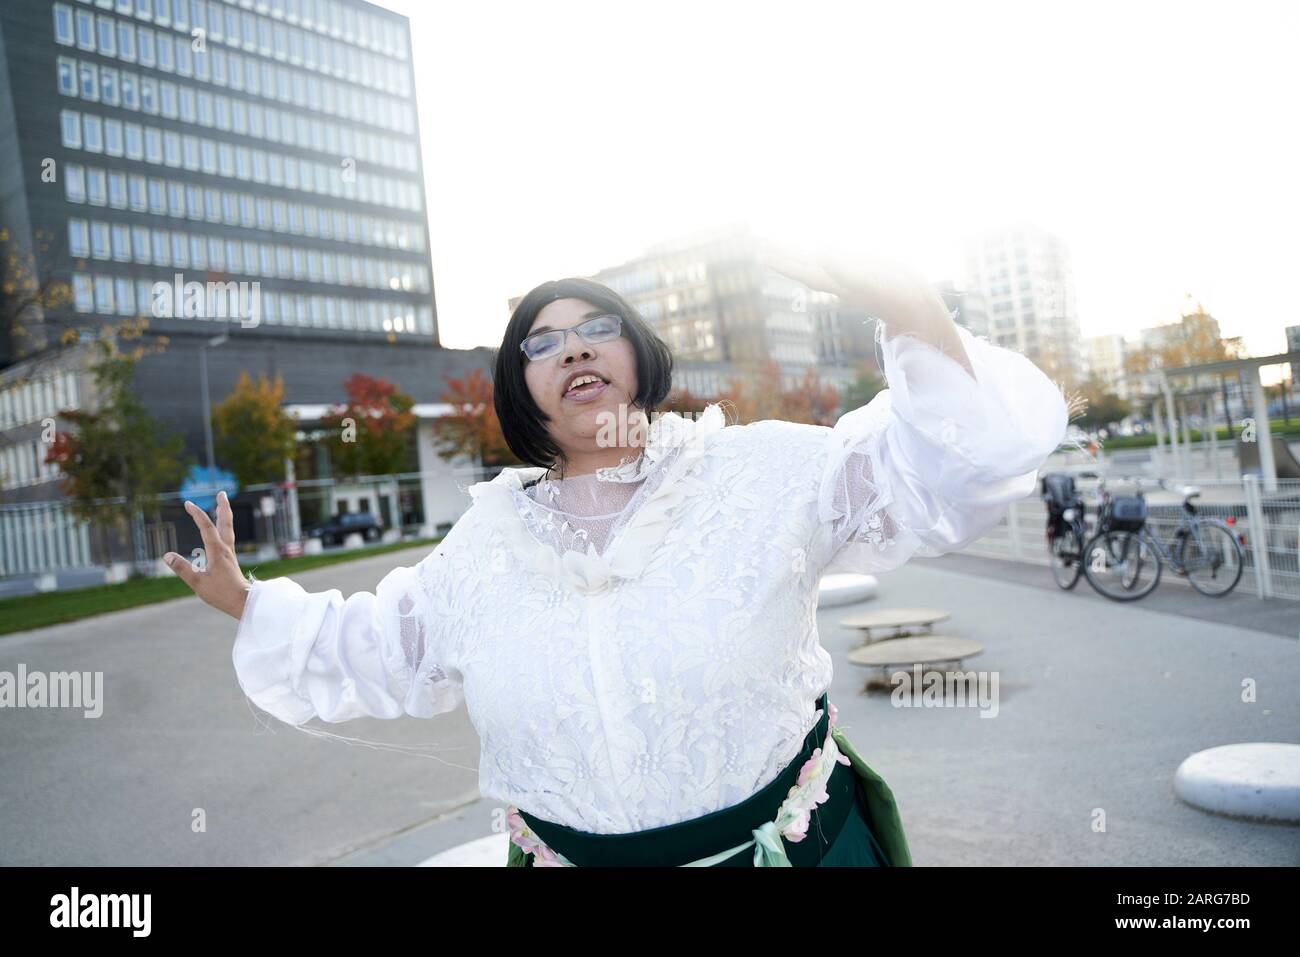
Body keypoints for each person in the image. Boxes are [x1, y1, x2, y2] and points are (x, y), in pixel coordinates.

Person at [166, 240, 1072, 867]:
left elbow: (952, 464)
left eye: (595, 327)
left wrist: (909, 306)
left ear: (637, 353)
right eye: (541, 342)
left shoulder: (757, 469)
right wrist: (250, 602)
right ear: (520, 388)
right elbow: (389, 644)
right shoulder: (490, 537)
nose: (574, 348)